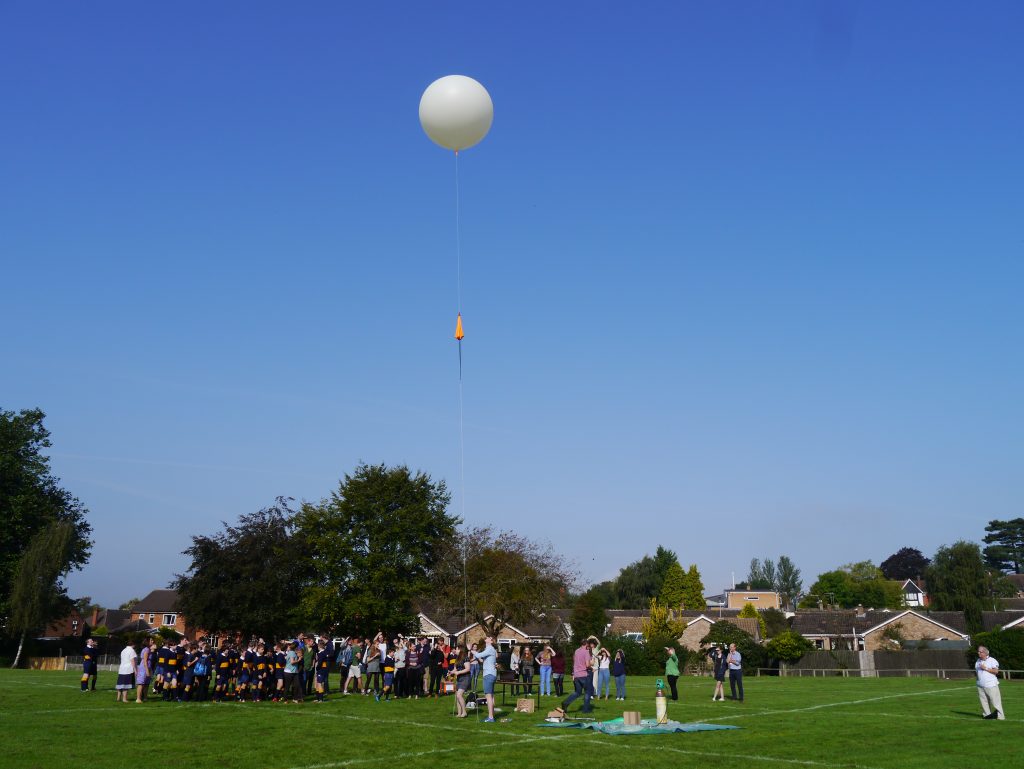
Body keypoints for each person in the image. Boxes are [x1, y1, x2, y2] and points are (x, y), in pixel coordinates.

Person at [560, 638, 596, 714]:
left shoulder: (577, 651)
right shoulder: (586, 652)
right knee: (588, 692)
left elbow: (575, 662)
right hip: (584, 675)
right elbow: (587, 665)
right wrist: (592, 668)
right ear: (586, 644)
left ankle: (565, 702)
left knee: (577, 692)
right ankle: (586, 710)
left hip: (576, 675)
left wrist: (573, 673)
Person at [471, 636, 498, 722]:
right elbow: (482, 660)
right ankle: (492, 715)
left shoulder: (489, 648)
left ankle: (490, 717)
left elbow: (479, 655)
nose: (487, 637)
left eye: (489, 637)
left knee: (488, 696)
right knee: (491, 696)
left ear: (491, 641)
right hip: (491, 674)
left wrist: (471, 650)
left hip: (488, 674)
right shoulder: (489, 649)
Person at [975, 645, 1004, 720]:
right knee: (984, 701)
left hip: (991, 685)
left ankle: (1000, 716)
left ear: (985, 653)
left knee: (995, 701)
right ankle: (987, 715)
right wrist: (978, 682)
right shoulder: (978, 661)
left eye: (980, 652)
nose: (978, 653)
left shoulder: (992, 660)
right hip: (980, 685)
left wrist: (985, 668)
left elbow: (996, 671)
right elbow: (977, 672)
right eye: (978, 651)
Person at [451, 645, 471, 717]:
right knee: (457, 696)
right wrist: (451, 672)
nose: (455, 650)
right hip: (459, 678)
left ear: (460, 650)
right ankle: (459, 713)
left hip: (465, 678)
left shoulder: (466, 658)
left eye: (456, 649)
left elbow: (468, 668)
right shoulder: (457, 658)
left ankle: (464, 712)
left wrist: (459, 672)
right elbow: (455, 669)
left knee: (459, 695)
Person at [135, 637, 153, 702]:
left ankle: (145, 697)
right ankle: (138, 698)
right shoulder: (146, 650)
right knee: (141, 683)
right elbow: (145, 661)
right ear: (147, 642)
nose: (152, 641)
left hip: (148, 667)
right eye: (151, 640)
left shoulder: (149, 649)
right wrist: (147, 671)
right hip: (144, 669)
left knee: (146, 684)